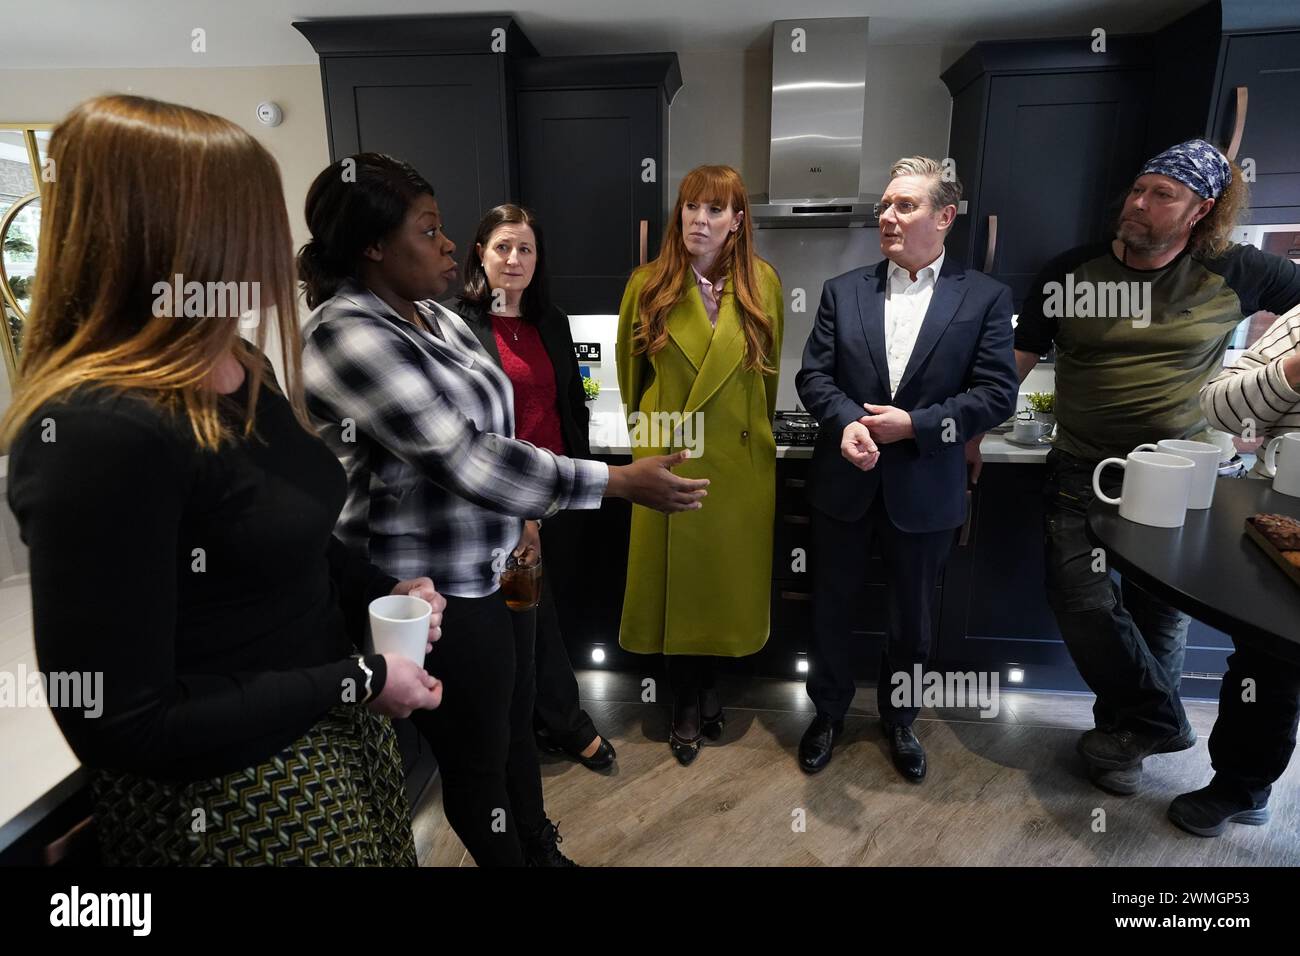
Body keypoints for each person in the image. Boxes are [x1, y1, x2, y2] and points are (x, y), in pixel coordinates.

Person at [2, 95, 444, 866]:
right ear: (166, 236)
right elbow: (120, 718)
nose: (274, 242)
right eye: (249, 217)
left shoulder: (239, 362)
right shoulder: (97, 429)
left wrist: (383, 587)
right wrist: (356, 677)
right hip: (234, 801)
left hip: (331, 743)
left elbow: (291, 532)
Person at [298, 154, 708, 864]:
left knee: (518, 723)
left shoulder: (441, 320)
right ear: (372, 245)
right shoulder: (345, 333)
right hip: (436, 588)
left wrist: (526, 521)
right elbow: (461, 457)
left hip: (505, 561)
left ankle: (541, 852)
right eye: (429, 230)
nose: (448, 244)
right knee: (478, 757)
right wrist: (616, 482)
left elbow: (500, 438)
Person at [1011, 138, 1300, 820]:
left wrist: (1273, 393)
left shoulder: (1241, 271)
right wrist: (964, 431)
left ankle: (1125, 740)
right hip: (1084, 466)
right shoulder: (1069, 272)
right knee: (1080, 597)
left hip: (1185, 471)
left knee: (1156, 612)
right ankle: (1162, 720)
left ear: (1201, 210)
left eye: (1161, 195)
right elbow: (1015, 361)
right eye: (1138, 190)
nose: (1139, 204)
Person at [795, 156, 1018, 782]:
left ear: (945, 217)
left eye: (905, 205)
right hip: (844, 483)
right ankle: (828, 713)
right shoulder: (844, 291)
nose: (887, 217)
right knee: (831, 609)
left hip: (926, 489)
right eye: (885, 205)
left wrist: (914, 426)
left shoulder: (985, 299)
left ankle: (900, 719)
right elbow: (812, 377)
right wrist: (849, 424)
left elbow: (998, 395)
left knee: (912, 620)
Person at [616, 164, 783, 766]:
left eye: (715, 210)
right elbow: (632, 384)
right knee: (676, 588)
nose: (699, 220)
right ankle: (684, 701)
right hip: (672, 456)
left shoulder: (763, 284)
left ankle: (711, 688)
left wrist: (754, 448)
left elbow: (766, 385)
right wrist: (649, 454)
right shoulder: (648, 284)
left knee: (722, 587)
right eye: (691, 207)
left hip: (739, 464)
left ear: (737, 222)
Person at [456, 203, 616, 772]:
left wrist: (581, 470)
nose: (514, 259)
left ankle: (532, 724)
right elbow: (474, 434)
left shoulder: (553, 322)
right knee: (525, 616)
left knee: (545, 611)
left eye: (526, 248)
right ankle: (562, 724)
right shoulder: (457, 325)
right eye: (503, 246)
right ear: (480, 252)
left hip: (563, 490)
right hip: (502, 499)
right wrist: (523, 513)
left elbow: (572, 402)